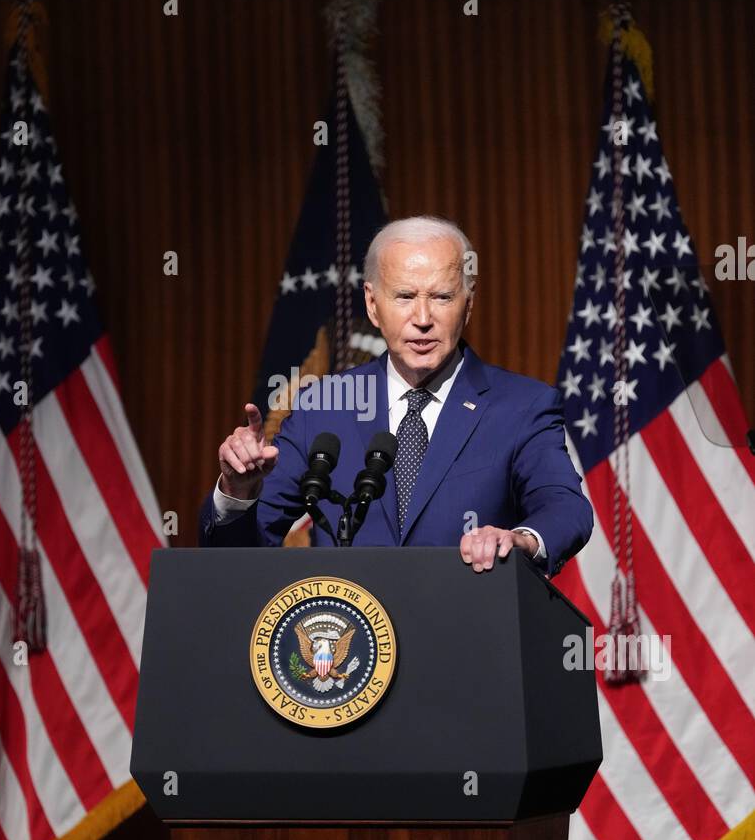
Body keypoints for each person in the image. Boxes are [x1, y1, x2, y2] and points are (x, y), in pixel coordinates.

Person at [199, 216, 593, 575]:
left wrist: (522, 539)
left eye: (441, 297)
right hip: (349, 647)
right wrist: (238, 491)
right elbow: (235, 558)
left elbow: (565, 505)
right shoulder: (324, 406)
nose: (422, 319)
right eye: (404, 296)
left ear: (467, 305)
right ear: (373, 305)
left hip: (471, 637)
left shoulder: (521, 406)